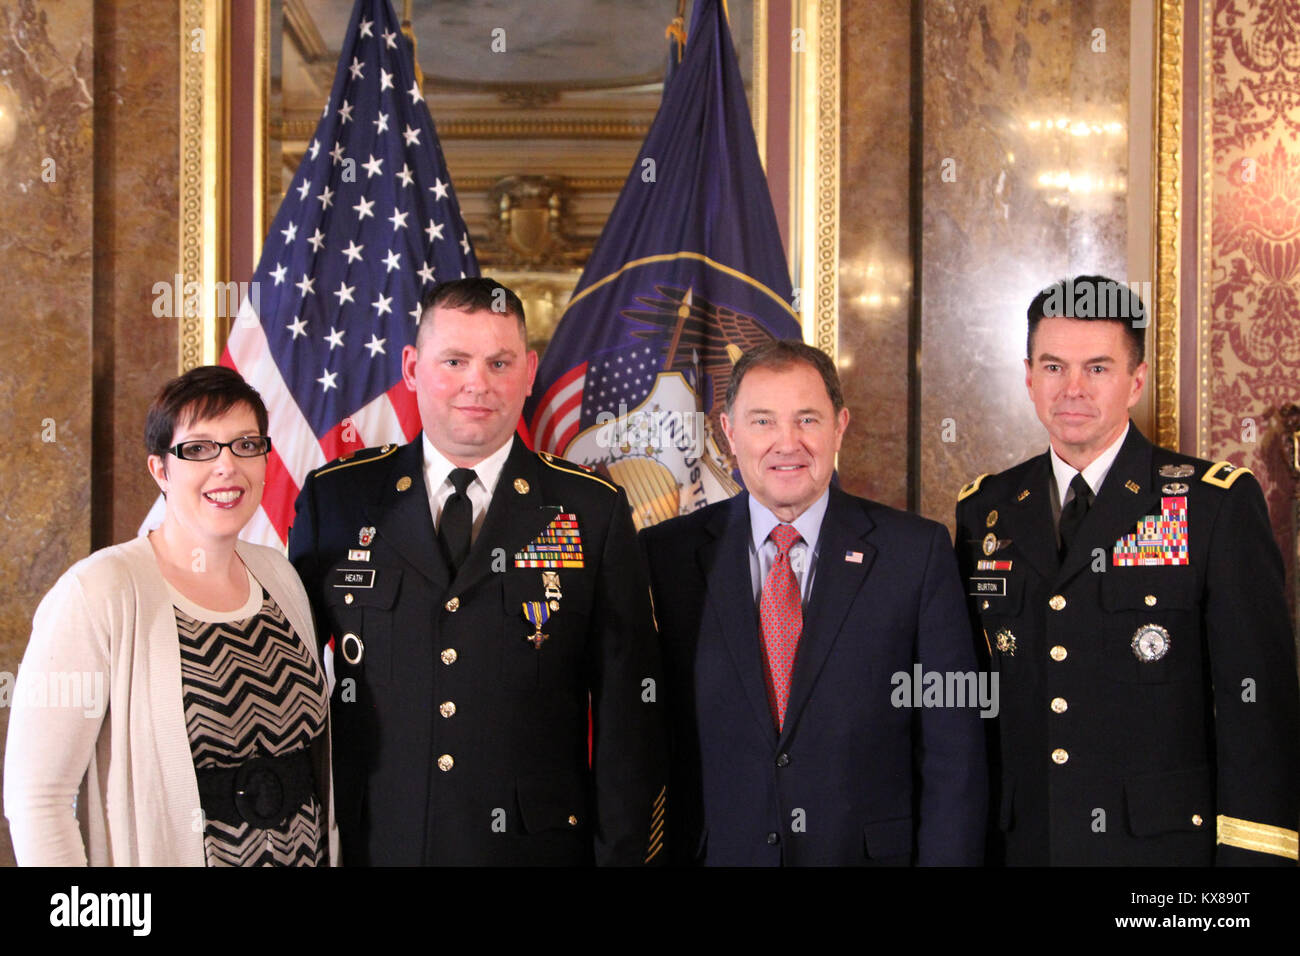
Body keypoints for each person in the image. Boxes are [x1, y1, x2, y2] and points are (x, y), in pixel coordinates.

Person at [288, 277, 668, 865]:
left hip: (533, 852)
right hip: (376, 846)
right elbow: (292, 687)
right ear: (413, 367)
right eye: (455, 360)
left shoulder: (591, 510)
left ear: (529, 370)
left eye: (498, 362)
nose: (477, 383)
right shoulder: (338, 502)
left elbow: (628, 713)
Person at [955, 274, 1300, 865]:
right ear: (1029, 376)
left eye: (1097, 368)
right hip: (1024, 846)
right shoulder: (984, 509)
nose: (1072, 389)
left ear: (1136, 380)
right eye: (1053, 366)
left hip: (1162, 858)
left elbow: (1257, 706)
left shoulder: (1210, 504)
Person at [639, 340, 987, 865]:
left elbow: (953, 754)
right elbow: (640, 741)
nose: (787, 443)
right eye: (762, 422)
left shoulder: (915, 554)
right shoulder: (665, 557)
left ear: (839, 426)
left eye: (807, 420)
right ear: (728, 432)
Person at [4, 366, 336, 866]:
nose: (227, 467)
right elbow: (37, 800)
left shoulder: (278, 576)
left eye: (245, 444)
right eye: (199, 448)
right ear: (161, 469)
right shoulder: (99, 592)